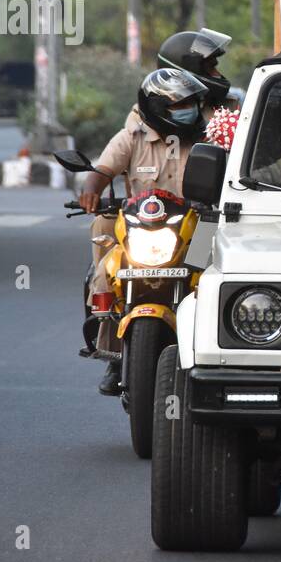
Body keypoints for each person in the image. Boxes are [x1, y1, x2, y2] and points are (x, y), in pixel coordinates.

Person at [79, 68, 209, 394]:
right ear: (155, 108)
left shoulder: (210, 139)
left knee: (213, 280)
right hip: (143, 226)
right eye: (179, 105)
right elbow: (102, 170)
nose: (188, 110)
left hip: (199, 223)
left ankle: (214, 347)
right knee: (104, 267)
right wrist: (91, 189)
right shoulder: (131, 137)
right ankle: (113, 355)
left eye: (192, 104)